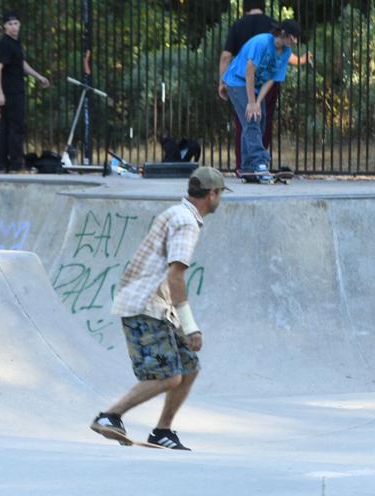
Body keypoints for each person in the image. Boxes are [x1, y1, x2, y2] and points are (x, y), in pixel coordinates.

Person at [90, 166, 230, 451]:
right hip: (145, 305)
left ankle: (162, 430)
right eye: (219, 194)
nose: (219, 200)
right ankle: (109, 416)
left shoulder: (175, 213)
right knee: (168, 376)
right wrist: (190, 325)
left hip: (156, 304)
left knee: (188, 367)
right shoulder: (187, 224)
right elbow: (175, 275)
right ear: (212, 194)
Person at [218, 1, 311, 174]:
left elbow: (272, 79)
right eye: (293, 37)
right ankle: (260, 162)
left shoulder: (285, 52)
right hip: (236, 81)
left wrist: (258, 101)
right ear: (283, 33)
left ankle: (247, 167)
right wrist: (251, 102)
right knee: (251, 118)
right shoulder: (261, 43)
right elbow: (249, 73)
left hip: (257, 84)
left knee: (259, 118)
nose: (295, 41)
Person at [0, 10, 49, 172]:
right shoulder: (5, 43)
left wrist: (38, 76)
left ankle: (3, 165)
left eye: (16, 23)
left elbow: (21, 63)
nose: (14, 27)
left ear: (20, 25)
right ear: (4, 26)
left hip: (14, 90)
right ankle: (16, 165)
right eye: (10, 24)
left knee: (5, 128)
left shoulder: (14, 43)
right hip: (11, 93)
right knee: (15, 128)